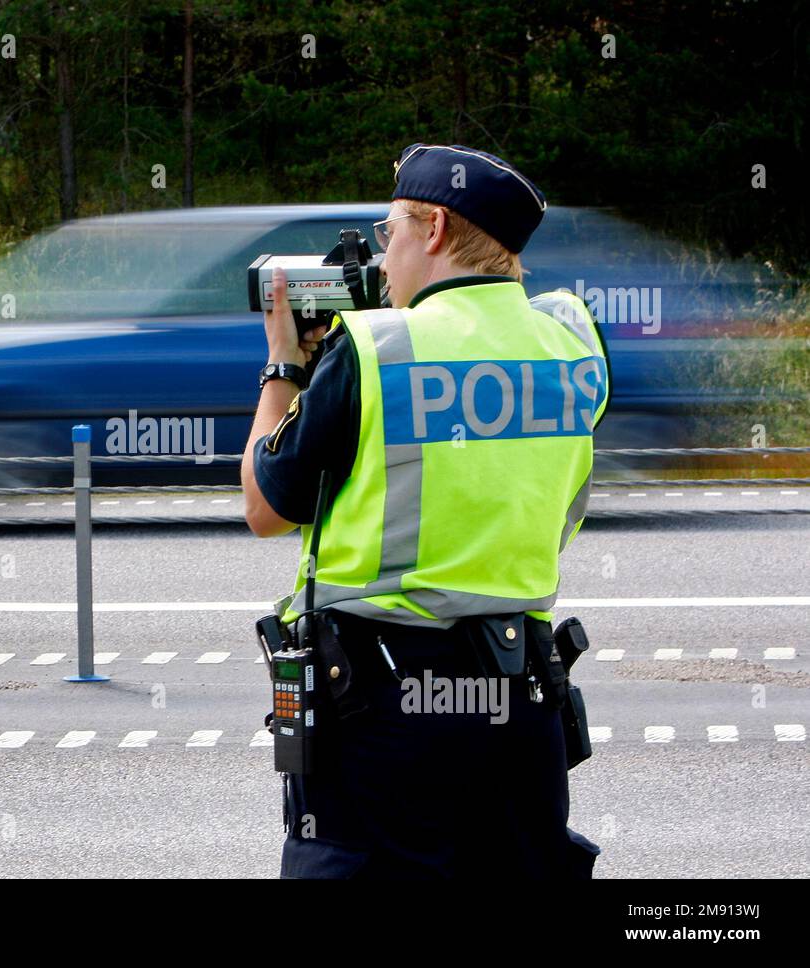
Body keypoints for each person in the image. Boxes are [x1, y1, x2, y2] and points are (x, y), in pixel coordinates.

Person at [240, 143, 608, 879]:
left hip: (383, 713)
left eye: (391, 234)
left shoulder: (374, 350)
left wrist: (284, 366)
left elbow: (265, 506)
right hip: (522, 698)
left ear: (434, 228)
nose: (384, 258)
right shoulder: (572, 345)